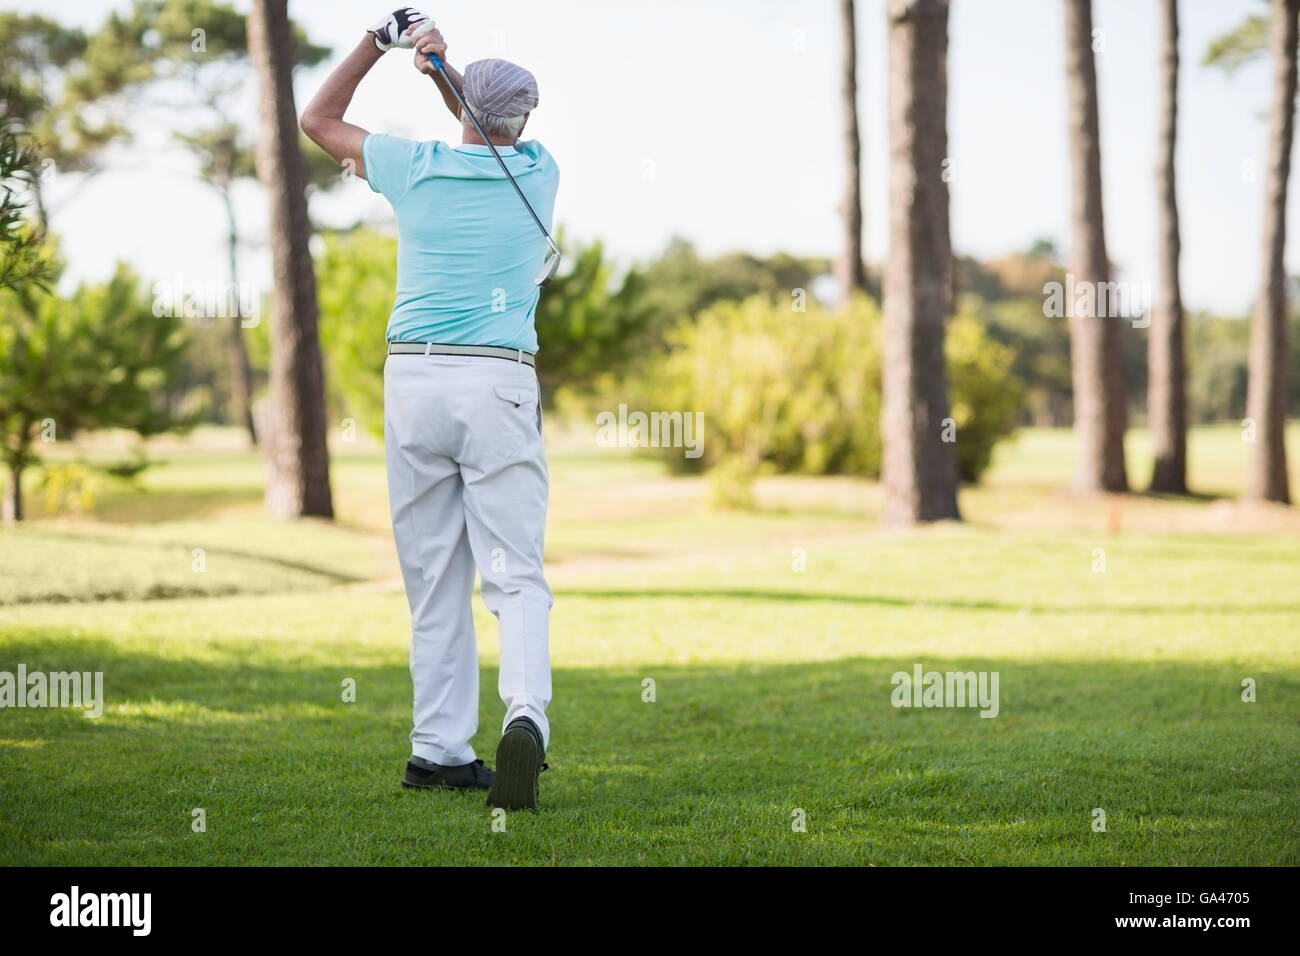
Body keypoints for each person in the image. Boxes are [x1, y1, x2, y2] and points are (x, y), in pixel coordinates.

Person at [300, 7, 559, 811]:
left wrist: (386, 45)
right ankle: (524, 718)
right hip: (497, 383)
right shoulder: (540, 172)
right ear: (526, 120)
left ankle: (439, 752)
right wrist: (447, 76)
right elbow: (491, 132)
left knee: (432, 576)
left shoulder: (412, 167)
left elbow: (317, 119)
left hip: (413, 383)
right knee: (514, 574)